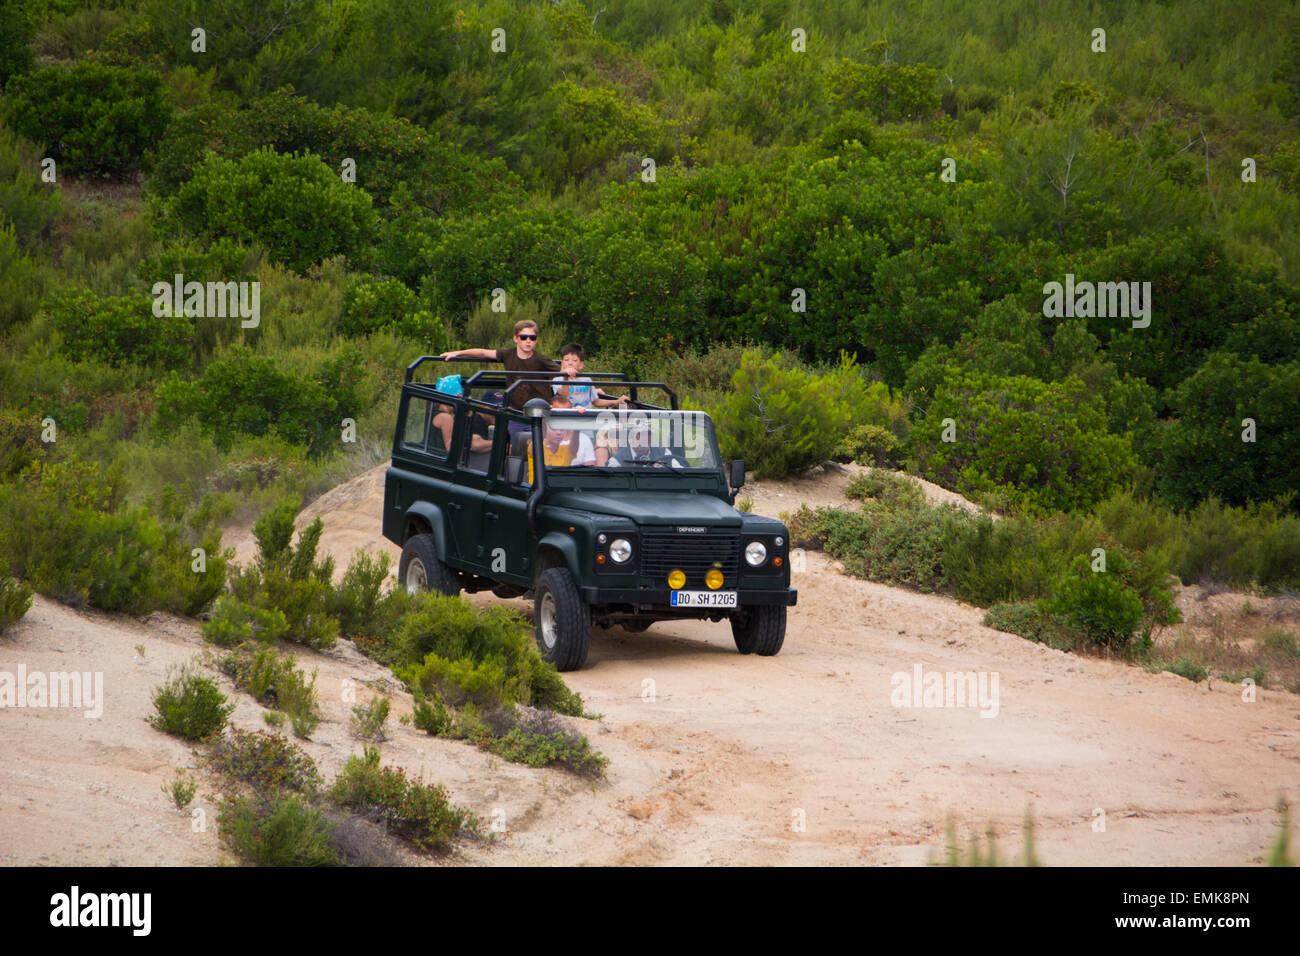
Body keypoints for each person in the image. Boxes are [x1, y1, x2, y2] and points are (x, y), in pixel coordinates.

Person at [439, 320, 559, 436]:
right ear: (516, 338)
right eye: (524, 337)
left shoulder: (541, 359)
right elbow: (483, 353)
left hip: (539, 414)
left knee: (538, 447)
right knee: (517, 446)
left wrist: (569, 370)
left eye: (532, 338)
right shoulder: (508, 354)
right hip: (516, 414)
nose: (528, 341)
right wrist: (457, 353)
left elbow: (562, 372)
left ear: (536, 340)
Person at [527, 395, 596, 480]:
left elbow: (590, 472)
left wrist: (578, 416)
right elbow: (534, 449)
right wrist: (543, 415)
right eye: (556, 413)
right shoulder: (539, 440)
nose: (561, 418)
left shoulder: (581, 440)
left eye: (566, 413)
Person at [551, 344, 630, 410]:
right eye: (566, 360)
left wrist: (617, 401)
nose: (570, 363)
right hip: (567, 418)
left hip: (586, 418)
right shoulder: (557, 380)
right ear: (562, 363)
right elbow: (563, 396)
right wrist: (566, 377)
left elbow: (596, 401)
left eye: (574, 360)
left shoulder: (587, 379)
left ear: (581, 365)